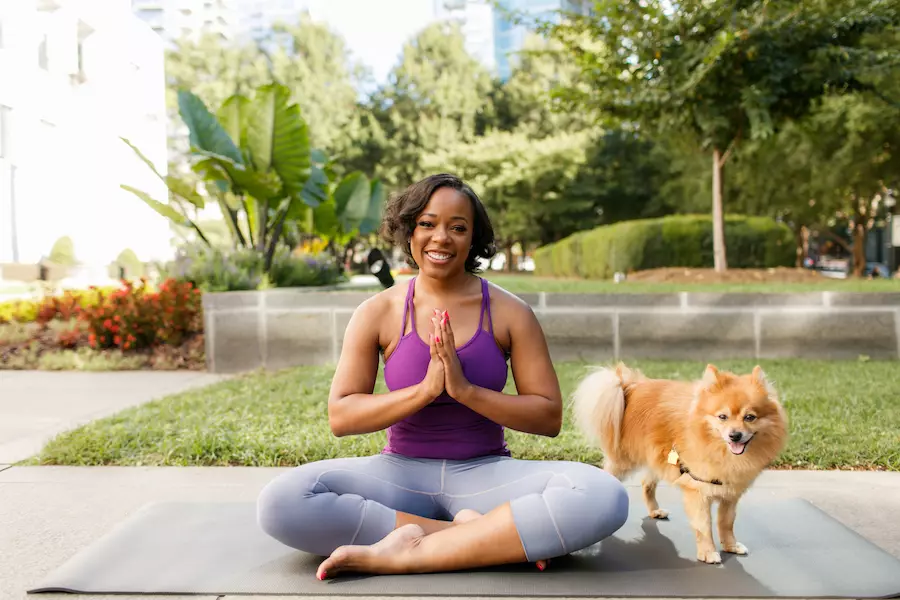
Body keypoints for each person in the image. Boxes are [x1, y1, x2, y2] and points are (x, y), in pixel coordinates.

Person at [256, 173, 629, 580]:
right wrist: (425, 391)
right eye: (427, 224)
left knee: (603, 494)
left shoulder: (510, 312)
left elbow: (547, 417)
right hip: (399, 474)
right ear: (409, 230)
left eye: (458, 227)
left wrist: (465, 390)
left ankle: (406, 552)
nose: (441, 238)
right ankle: (482, 539)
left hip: (485, 475)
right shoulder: (377, 312)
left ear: (474, 239)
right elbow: (342, 417)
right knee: (281, 501)